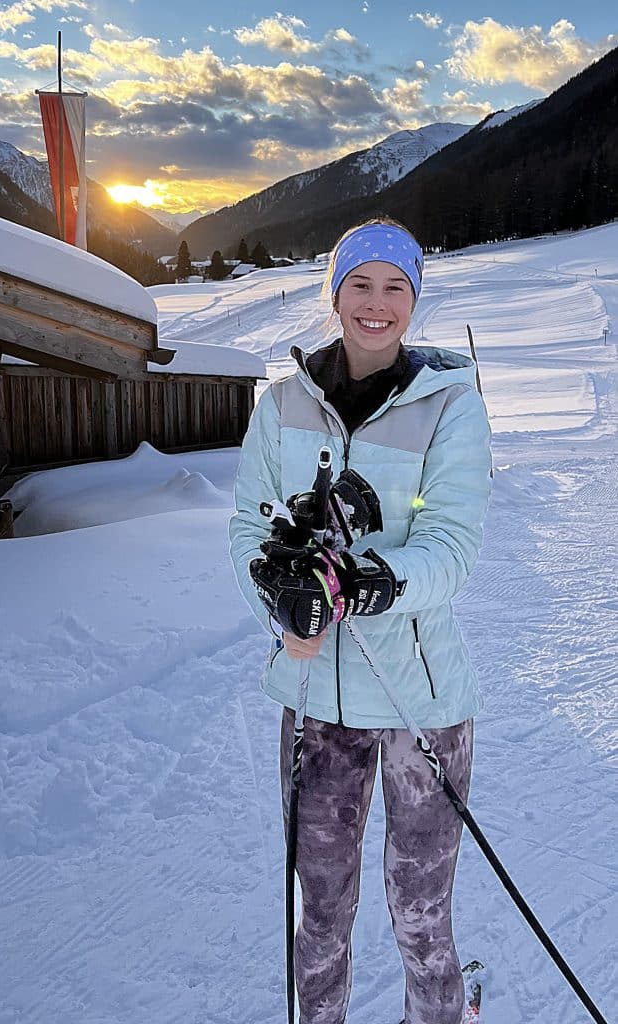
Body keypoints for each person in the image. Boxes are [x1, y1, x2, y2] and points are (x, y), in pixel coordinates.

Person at [229, 218, 492, 1024]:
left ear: (413, 299)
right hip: (315, 701)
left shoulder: (450, 405)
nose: (376, 304)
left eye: (394, 287)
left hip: (421, 704)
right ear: (334, 294)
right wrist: (281, 606)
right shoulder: (281, 404)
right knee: (319, 913)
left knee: (419, 915)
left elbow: (451, 548)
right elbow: (248, 528)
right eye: (359, 285)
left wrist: (371, 583)